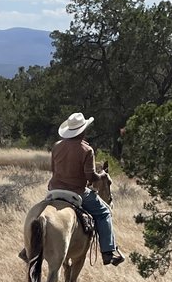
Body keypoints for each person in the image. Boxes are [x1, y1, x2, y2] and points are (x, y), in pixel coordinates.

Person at [48, 112, 125, 266]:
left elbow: (53, 169)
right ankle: (108, 251)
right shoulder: (86, 150)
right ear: (83, 131)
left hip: (54, 190)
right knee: (105, 212)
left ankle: (27, 250)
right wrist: (102, 175)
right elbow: (90, 178)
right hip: (77, 192)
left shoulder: (56, 146)